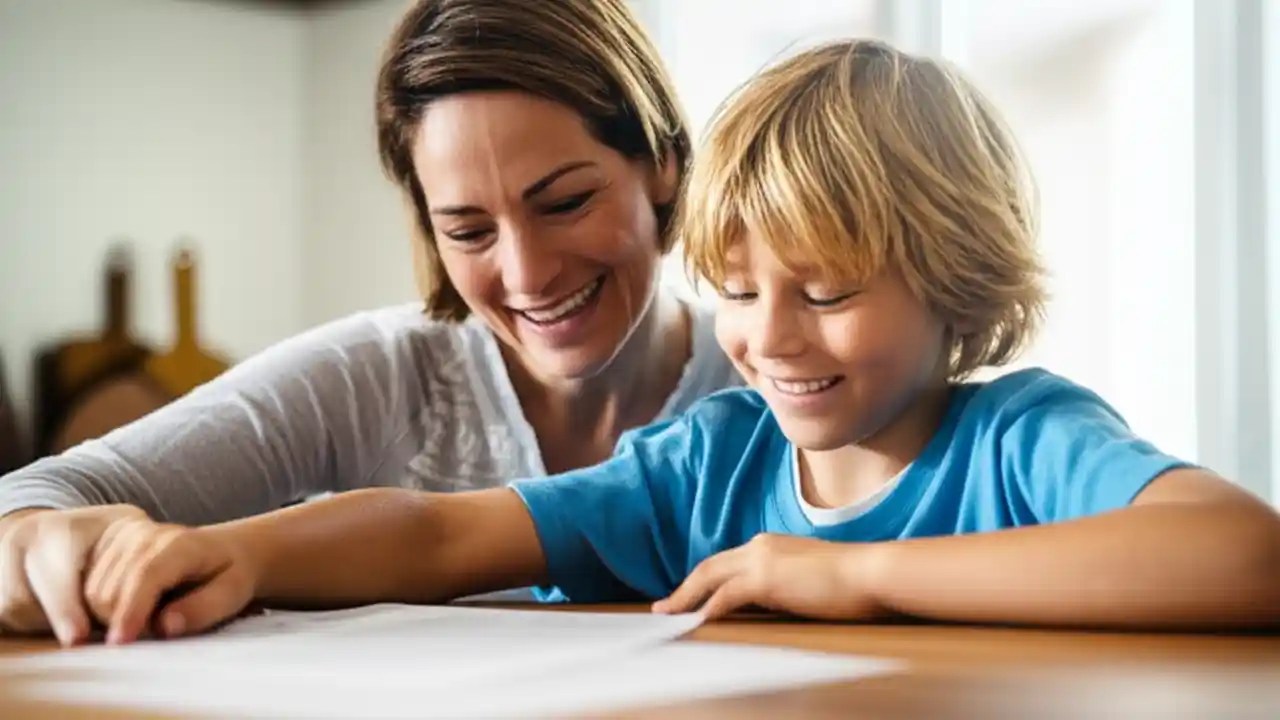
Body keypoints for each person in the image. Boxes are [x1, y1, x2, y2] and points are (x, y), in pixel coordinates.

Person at [67, 38, 1280, 646]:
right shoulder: (706, 460)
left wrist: (847, 576)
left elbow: (1243, 557)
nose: (768, 337)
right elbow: (442, 528)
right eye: (740, 291)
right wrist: (236, 556)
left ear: (955, 277)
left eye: (828, 289)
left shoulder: (1019, 438)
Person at [0, 0, 739, 647]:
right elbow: (43, 492)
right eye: (469, 231)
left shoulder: (780, 377)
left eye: (565, 202)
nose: (526, 274)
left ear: (664, 162)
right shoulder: (371, 376)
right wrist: (38, 539)